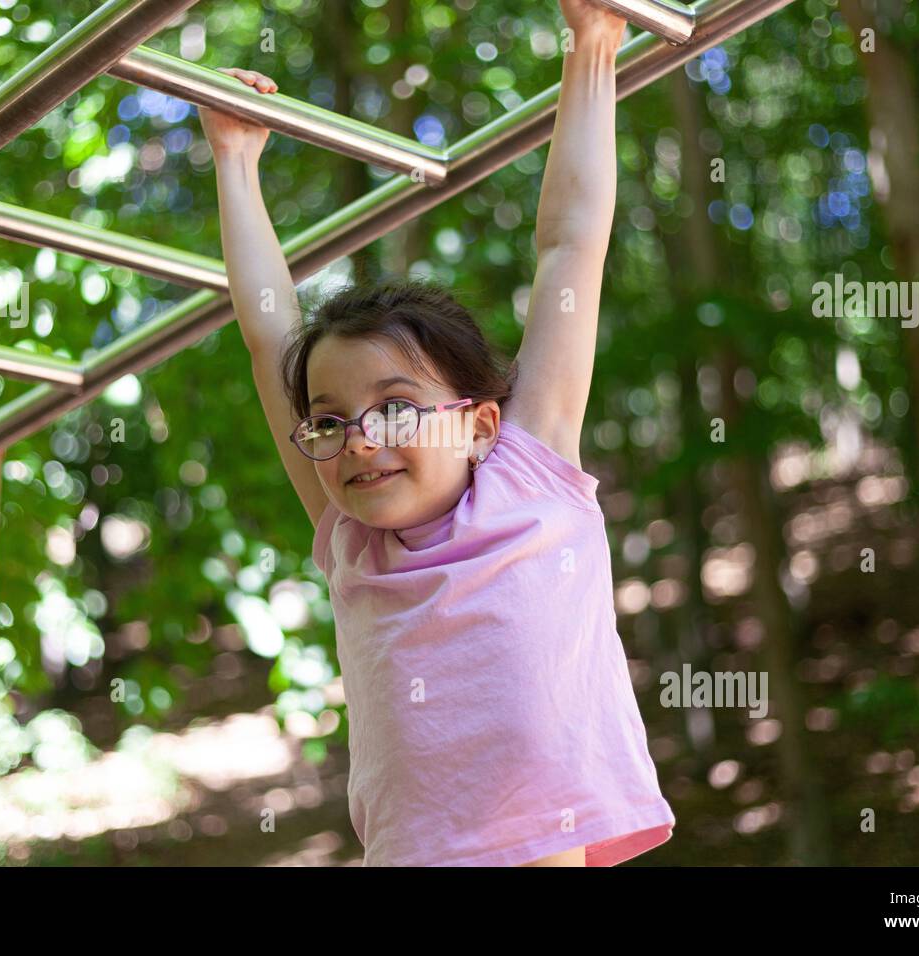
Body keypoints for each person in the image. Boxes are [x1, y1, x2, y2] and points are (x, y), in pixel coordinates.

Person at [198, 0, 674, 866]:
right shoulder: (352, 542)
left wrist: (594, 42)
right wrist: (234, 158)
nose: (357, 440)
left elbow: (571, 244)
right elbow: (270, 333)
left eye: (394, 407)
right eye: (331, 422)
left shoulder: (531, 472)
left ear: (481, 425)